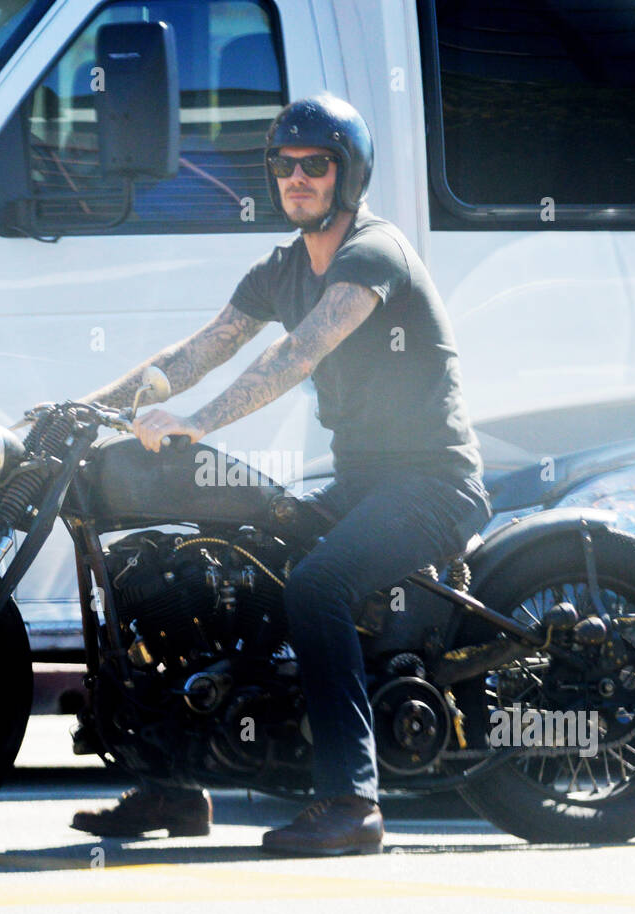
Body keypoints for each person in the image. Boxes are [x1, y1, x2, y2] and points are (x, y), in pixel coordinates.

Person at [70, 93, 490, 856]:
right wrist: (79, 409)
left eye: (315, 164)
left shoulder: (374, 254)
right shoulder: (283, 266)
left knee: (318, 585)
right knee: (237, 570)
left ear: (346, 174)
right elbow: (195, 353)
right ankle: (174, 784)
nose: (296, 177)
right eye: (284, 164)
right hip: (362, 480)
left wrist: (200, 423)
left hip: (432, 482)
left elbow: (295, 354)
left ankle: (353, 803)